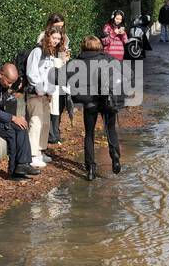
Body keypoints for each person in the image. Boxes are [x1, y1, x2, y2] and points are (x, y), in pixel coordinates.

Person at [72, 36, 123, 179]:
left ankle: (91, 169)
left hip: (90, 102)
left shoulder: (77, 62)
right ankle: (115, 157)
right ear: (99, 45)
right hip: (107, 100)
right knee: (111, 129)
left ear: (83, 46)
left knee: (89, 134)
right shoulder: (108, 59)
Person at [25, 16, 68, 167]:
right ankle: (32, 154)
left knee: (45, 123)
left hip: (46, 94)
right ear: (48, 36)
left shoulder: (51, 53)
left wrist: (49, 91)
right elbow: (32, 73)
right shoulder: (37, 51)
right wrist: (40, 89)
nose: (56, 41)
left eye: (58, 38)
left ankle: (41, 151)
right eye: (54, 37)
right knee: (35, 123)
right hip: (35, 94)